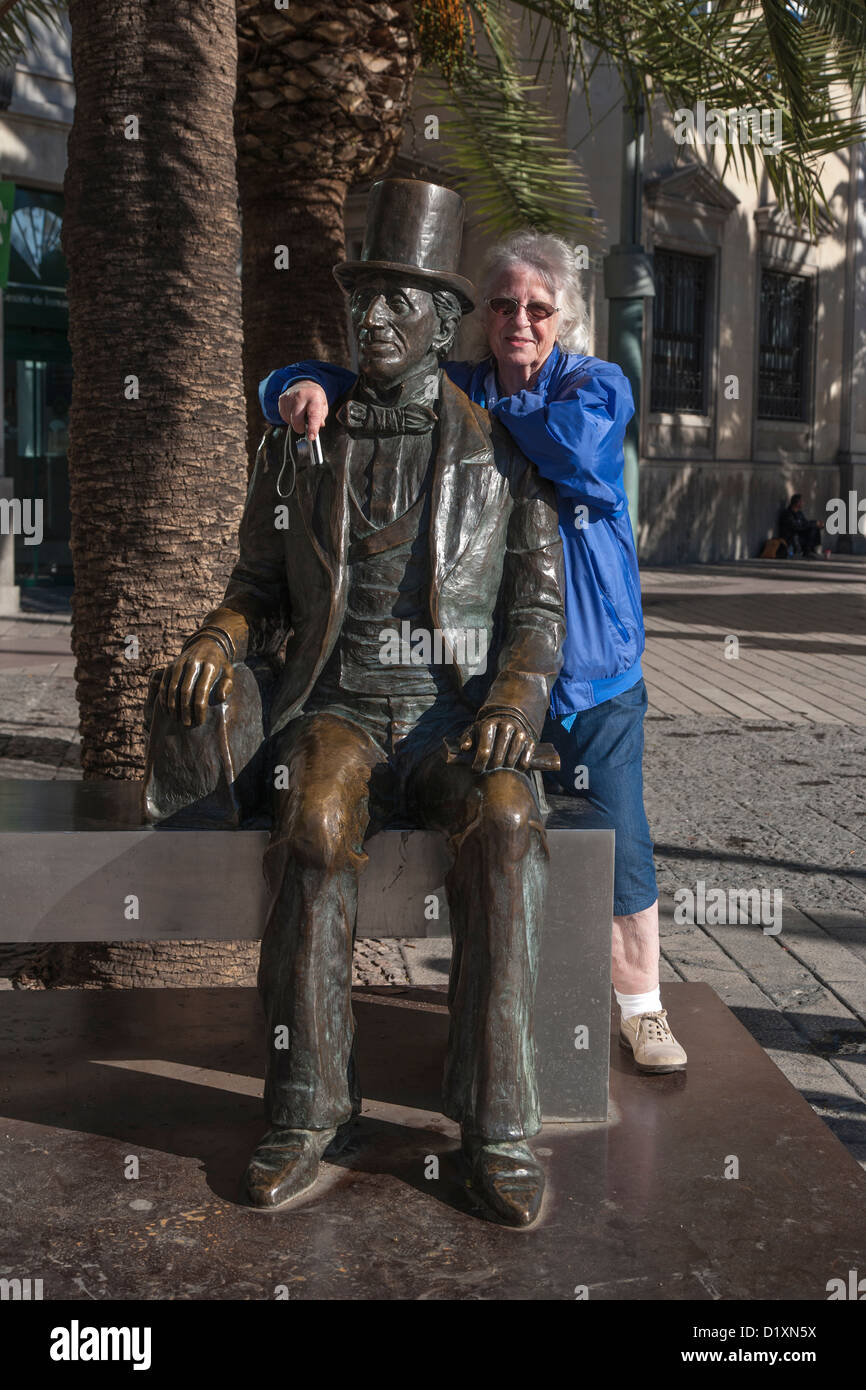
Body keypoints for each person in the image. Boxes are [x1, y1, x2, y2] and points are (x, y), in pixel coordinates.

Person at [151, 181, 566, 1226]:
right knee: (311, 820)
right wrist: (212, 637)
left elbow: (536, 611)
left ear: (439, 317)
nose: (372, 319)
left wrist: (515, 692)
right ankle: (305, 1111)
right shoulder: (303, 437)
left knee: (508, 821)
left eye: (396, 301)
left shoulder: (502, 452)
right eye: (361, 299)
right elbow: (253, 590)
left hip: (449, 713)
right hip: (334, 705)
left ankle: (497, 1125)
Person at [259, 229, 687, 1075]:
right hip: (488, 677)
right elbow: (356, 386)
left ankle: (642, 1007)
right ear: (480, 316)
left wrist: (469, 418)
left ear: (563, 316)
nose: (519, 320)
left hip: (592, 670)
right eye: (503, 306)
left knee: (619, 840)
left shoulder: (592, 383)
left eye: (537, 308)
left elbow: (575, 445)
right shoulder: (453, 386)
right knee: (505, 826)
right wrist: (294, 385)